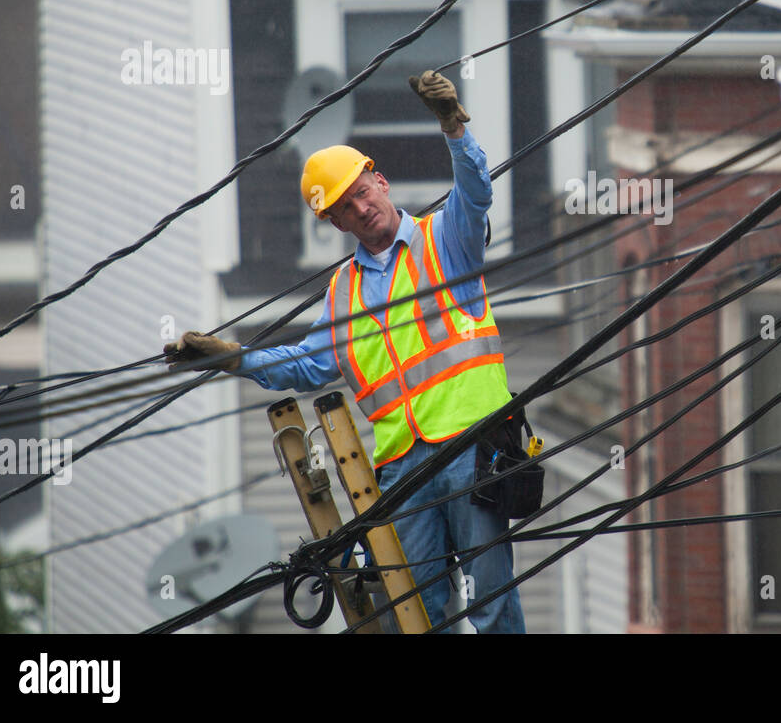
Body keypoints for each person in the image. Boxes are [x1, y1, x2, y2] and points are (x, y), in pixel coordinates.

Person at [163, 70, 525, 633]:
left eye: (363, 192)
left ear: (379, 182)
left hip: (470, 445)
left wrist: (453, 127)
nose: (361, 209)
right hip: (404, 468)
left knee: (493, 603)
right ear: (333, 222)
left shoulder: (443, 240)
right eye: (346, 208)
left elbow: (477, 192)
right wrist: (235, 358)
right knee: (418, 618)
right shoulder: (344, 293)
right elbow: (306, 364)